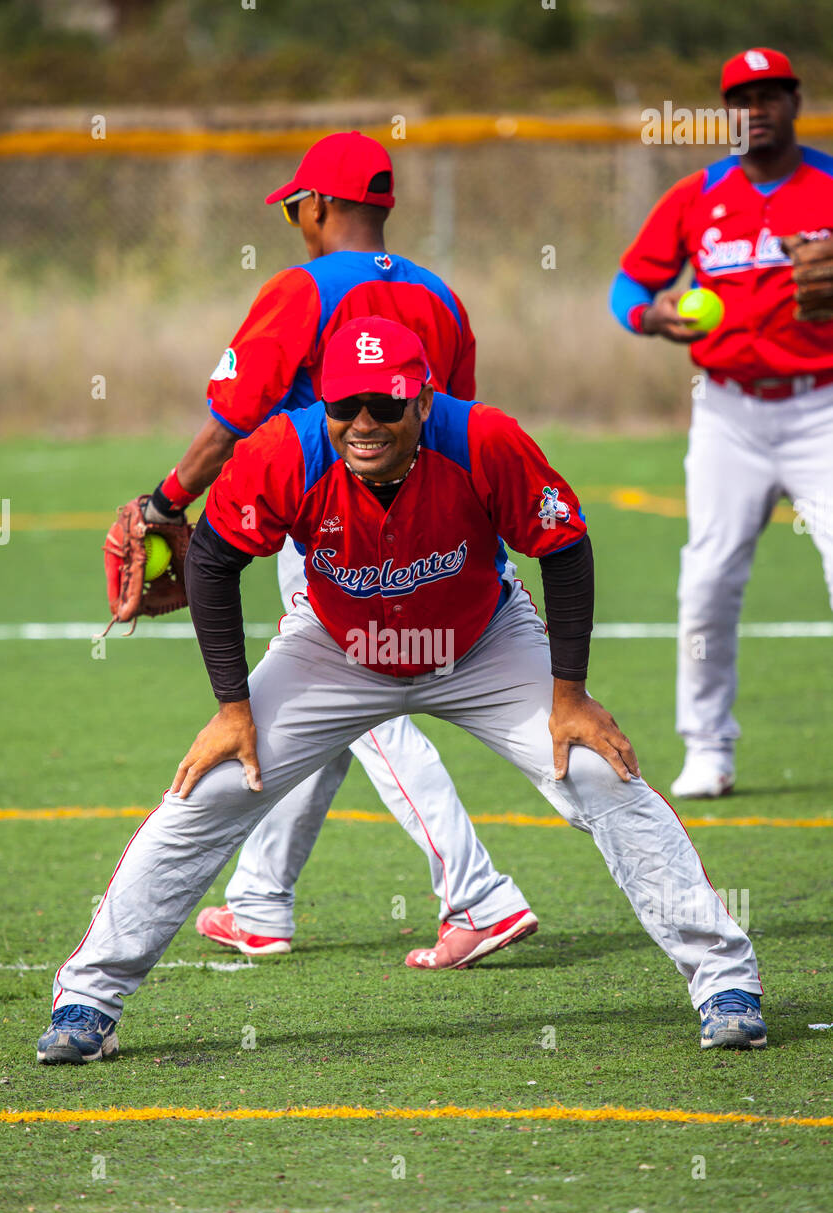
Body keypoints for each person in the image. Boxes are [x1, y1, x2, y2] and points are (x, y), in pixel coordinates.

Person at [38, 317, 766, 1065]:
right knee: (214, 786)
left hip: (481, 641)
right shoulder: (285, 451)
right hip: (337, 650)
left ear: (422, 399)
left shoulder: (485, 440)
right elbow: (216, 560)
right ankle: (88, 1001)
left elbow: (565, 547)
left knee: (594, 771)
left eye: (385, 405)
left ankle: (725, 984)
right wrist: (232, 708)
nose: (363, 422)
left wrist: (569, 695)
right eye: (345, 403)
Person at [122, 129, 535, 961]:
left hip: (324, 522)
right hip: (434, 527)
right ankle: (262, 900)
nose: (295, 223)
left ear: (316, 206)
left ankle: (479, 895)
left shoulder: (303, 287)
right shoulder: (441, 296)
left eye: (294, 209)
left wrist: (164, 501)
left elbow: (232, 422)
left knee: (370, 711)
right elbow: (454, 426)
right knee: (328, 719)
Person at [610, 48, 833, 798]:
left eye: (770, 94)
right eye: (742, 97)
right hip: (728, 412)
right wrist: (652, 314)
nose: (756, 108)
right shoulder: (698, 196)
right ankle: (707, 746)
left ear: (796, 99)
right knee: (706, 581)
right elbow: (628, 286)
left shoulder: (829, 184)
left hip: (823, 408)